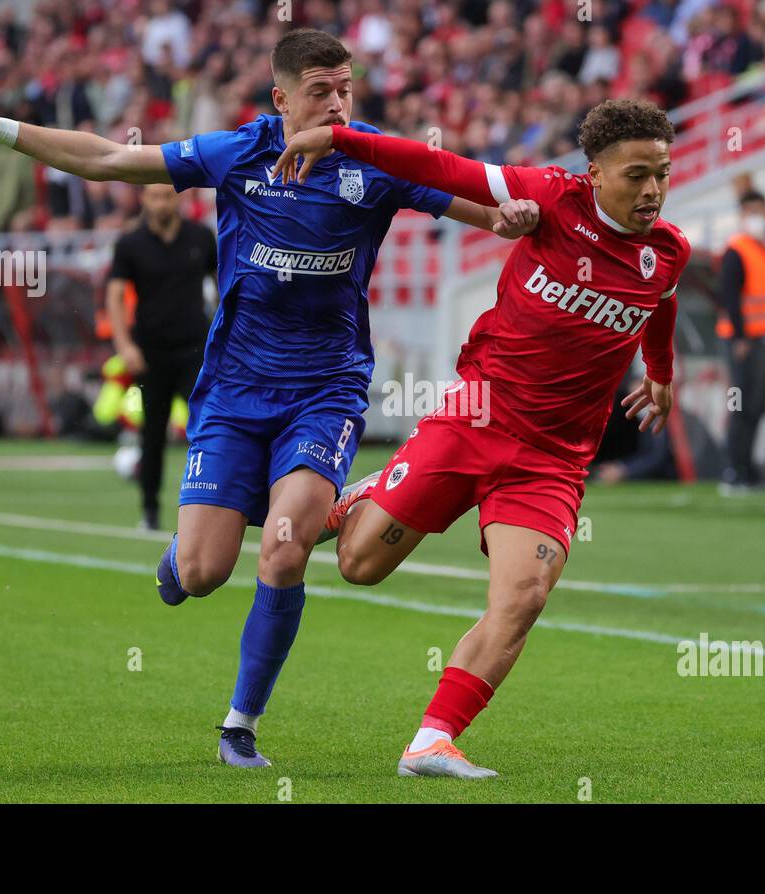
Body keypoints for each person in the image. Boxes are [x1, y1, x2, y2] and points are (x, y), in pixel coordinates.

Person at [0, 27, 537, 769]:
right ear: (283, 99)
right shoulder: (239, 153)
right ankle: (188, 556)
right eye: (322, 91)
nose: (339, 102)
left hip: (326, 389)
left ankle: (239, 726)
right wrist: (2, 130)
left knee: (284, 552)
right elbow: (112, 159)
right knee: (204, 572)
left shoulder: (375, 160)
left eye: (346, 87)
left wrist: (513, 217)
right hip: (234, 390)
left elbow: (480, 205)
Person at [275, 97, 687, 778]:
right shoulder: (549, 199)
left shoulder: (667, 252)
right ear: (594, 173)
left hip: (554, 460)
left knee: (523, 596)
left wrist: (662, 375)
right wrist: (340, 139)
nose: (652, 190)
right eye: (637, 174)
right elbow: (439, 165)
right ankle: (366, 495)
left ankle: (432, 739)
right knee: (359, 566)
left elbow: (663, 305)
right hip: (477, 418)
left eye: (662, 175)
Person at [105, 183, 216, 530]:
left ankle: (215, 504)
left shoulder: (200, 237)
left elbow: (225, 284)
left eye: (167, 195)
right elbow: (114, 294)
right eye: (154, 196)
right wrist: (125, 345)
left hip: (195, 348)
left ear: (178, 198)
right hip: (150, 352)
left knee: (209, 426)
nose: (161, 202)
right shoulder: (130, 244)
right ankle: (150, 509)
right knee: (152, 433)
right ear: (143, 199)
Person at [714, 190, 765, 488]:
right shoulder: (737, 250)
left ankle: (747, 465)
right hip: (745, 342)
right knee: (740, 406)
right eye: (754, 211)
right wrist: (741, 338)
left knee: (758, 406)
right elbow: (730, 297)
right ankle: (734, 468)